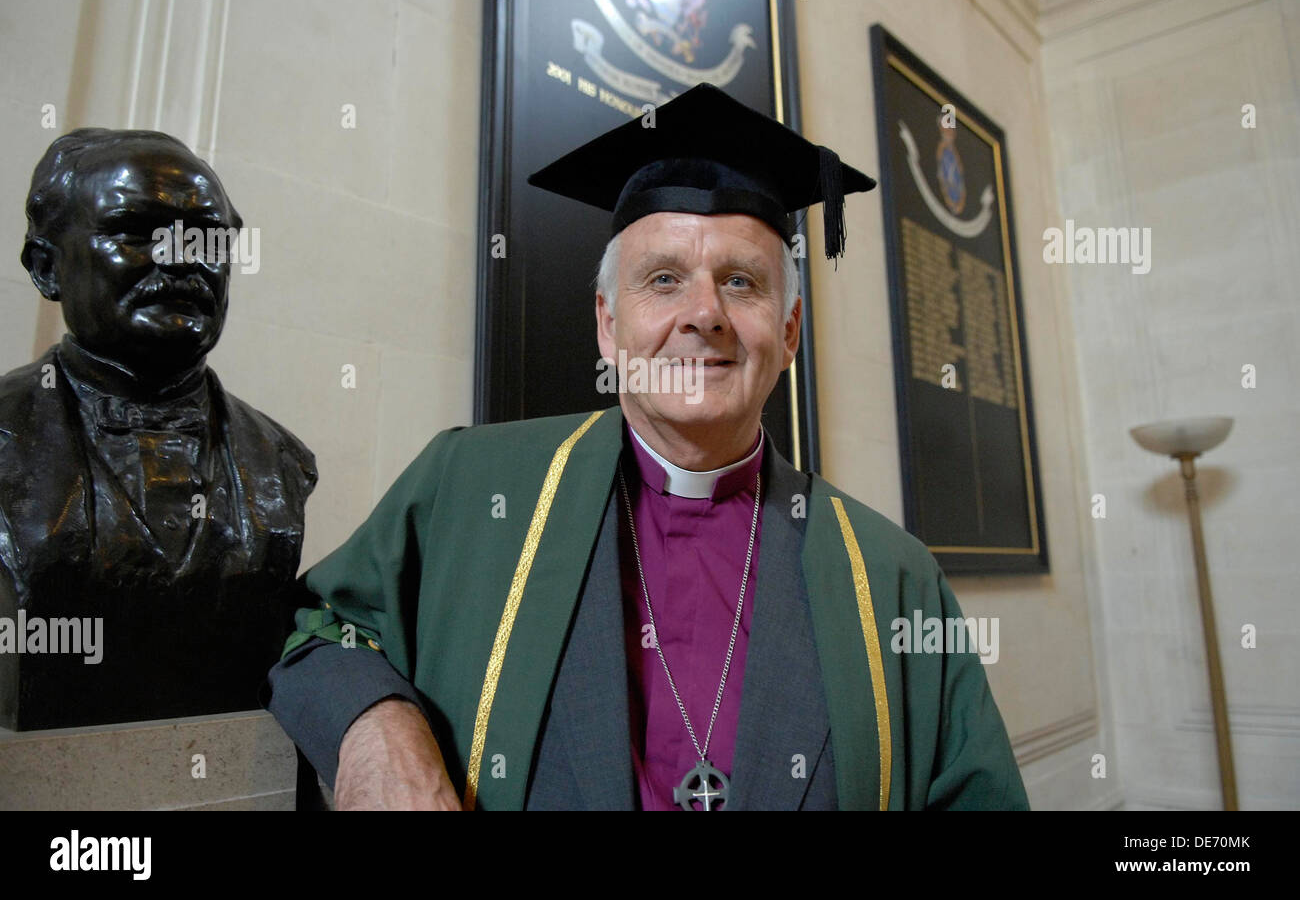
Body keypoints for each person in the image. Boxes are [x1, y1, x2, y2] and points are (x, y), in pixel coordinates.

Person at [266, 84, 1028, 810]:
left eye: (741, 281)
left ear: (788, 332)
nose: (704, 313)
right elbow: (321, 630)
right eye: (664, 279)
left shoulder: (894, 580)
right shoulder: (470, 488)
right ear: (607, 323)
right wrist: (377, 732)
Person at [0, 129, 317, 730]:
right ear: (47, 267)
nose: (180, 257)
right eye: (134, 230)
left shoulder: (282, 460)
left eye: (207, 236)